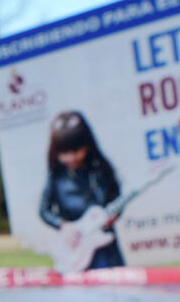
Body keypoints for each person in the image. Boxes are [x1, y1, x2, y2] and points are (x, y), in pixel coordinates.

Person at [38, 111, 125, 269]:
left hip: (103, 243)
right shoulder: (56, 176)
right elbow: (44, 210)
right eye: (64, 153)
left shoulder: (101, 169)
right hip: (74, 246)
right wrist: (63, 225)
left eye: (76, 151)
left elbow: (116, 197)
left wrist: (115, 214)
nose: (71, 158)